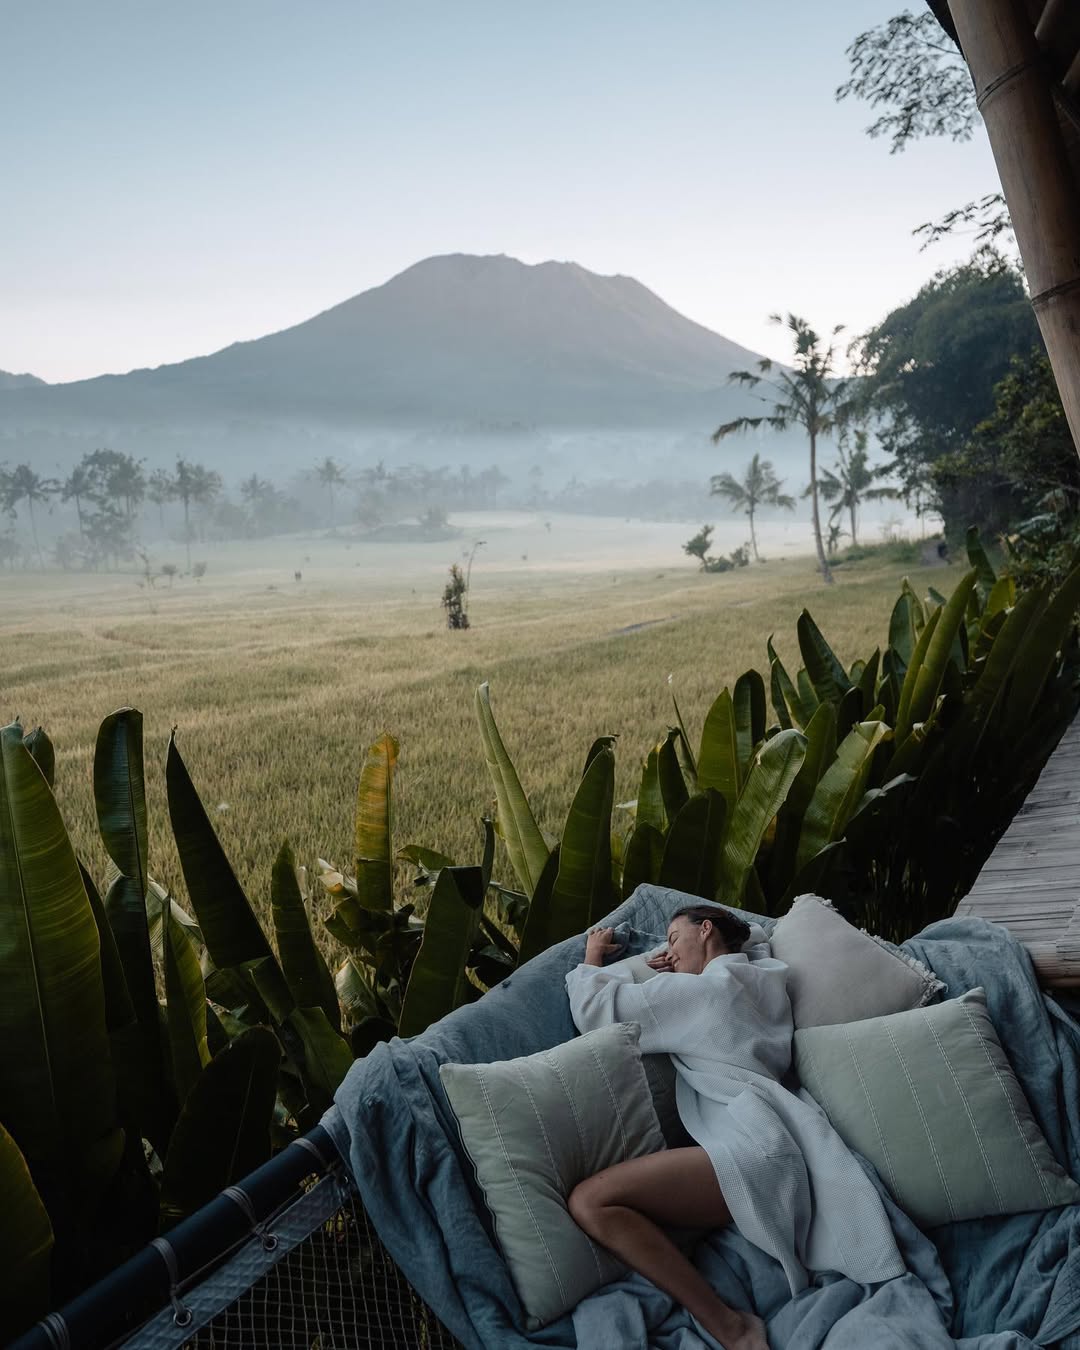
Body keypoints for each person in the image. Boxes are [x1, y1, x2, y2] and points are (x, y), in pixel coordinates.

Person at [564, 904, 905, 1350]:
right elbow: (757, 934)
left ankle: (731, 1327)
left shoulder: (702, 994)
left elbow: (594, 1010)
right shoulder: (764, 976)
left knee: (591, 1202)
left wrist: (592, 956)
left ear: (706, 930)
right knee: (598, 1202)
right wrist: (688, 960)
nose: (669, 951)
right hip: (777, 1139)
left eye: (672, 938)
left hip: (751, 1148)